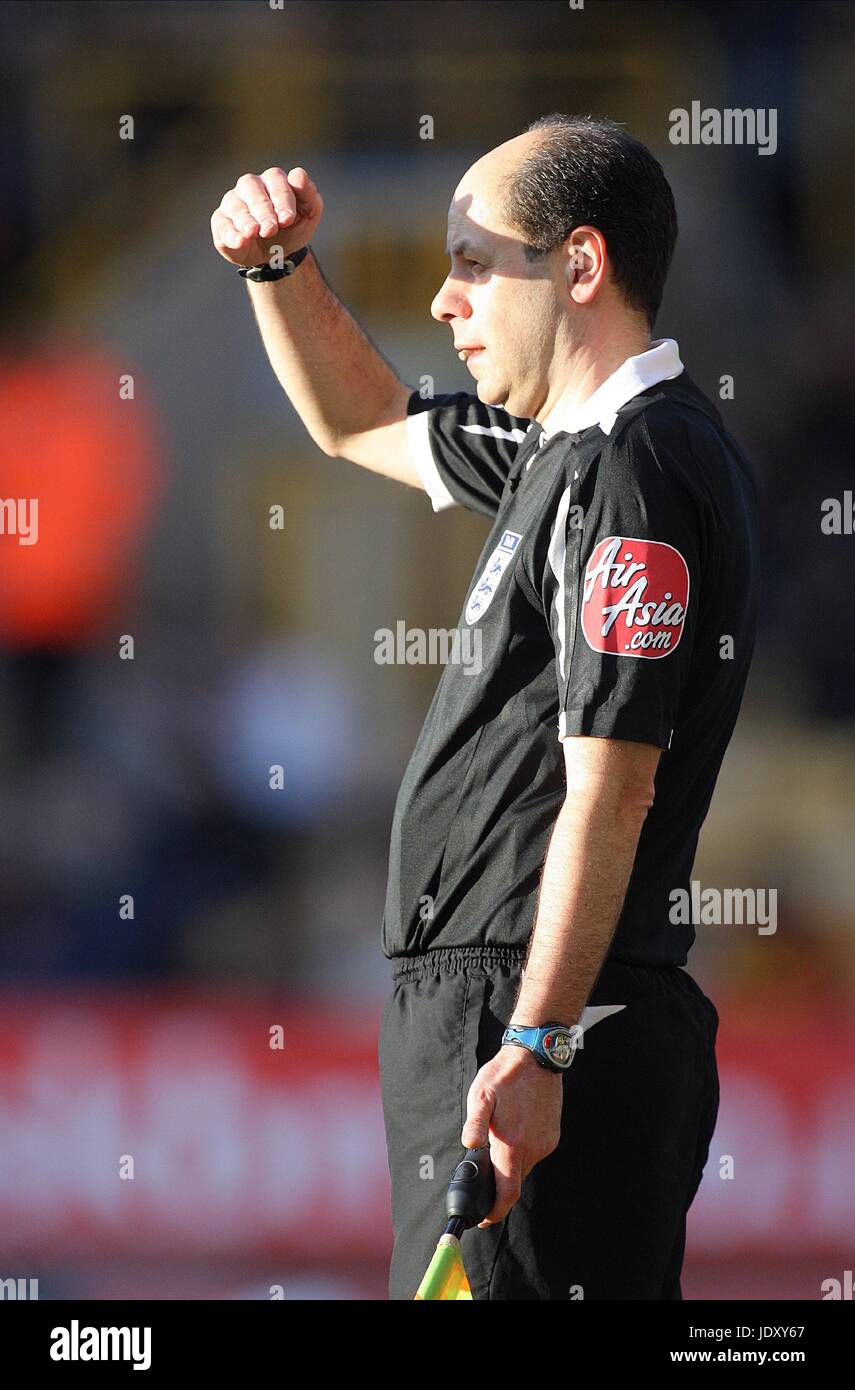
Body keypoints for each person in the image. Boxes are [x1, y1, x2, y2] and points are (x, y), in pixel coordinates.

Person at [211, 114, 759, 1300]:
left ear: (580, 266)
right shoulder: (561, 457)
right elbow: (358, 419)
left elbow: (611, 789)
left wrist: (537, 1037)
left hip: (541, 1015)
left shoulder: (634, 465)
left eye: (473, 260)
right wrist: (277, 268)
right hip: (501, 1013)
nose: (447, 297)